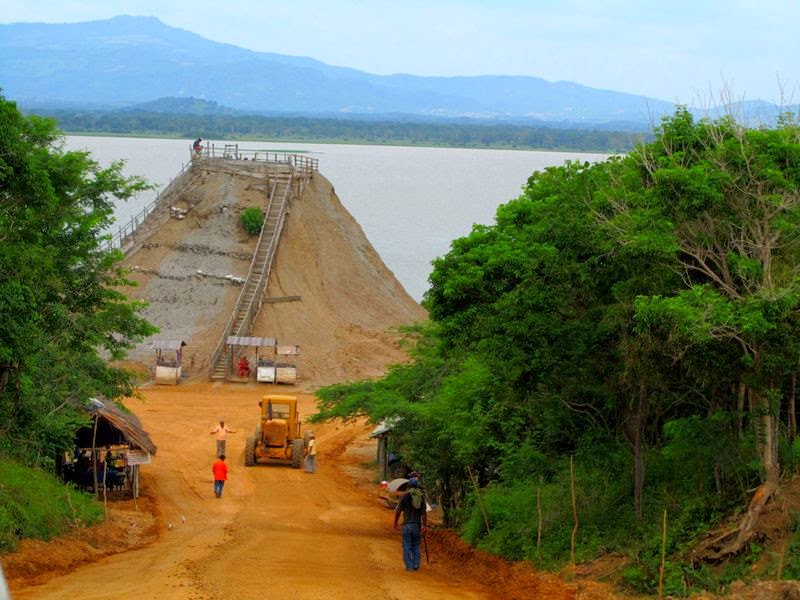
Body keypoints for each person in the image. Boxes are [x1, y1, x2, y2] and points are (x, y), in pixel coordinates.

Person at [393, 477, 427, 571]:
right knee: (416, 545)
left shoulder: (405, 496)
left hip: (407, 525)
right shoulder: (421, 497)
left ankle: (409, 566)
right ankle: (416, 564)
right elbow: (424, 514)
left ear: (408, 486)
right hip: (417, 525)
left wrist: (395, 522)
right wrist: (424, 526)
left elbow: (398, 510)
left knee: (407, 545)